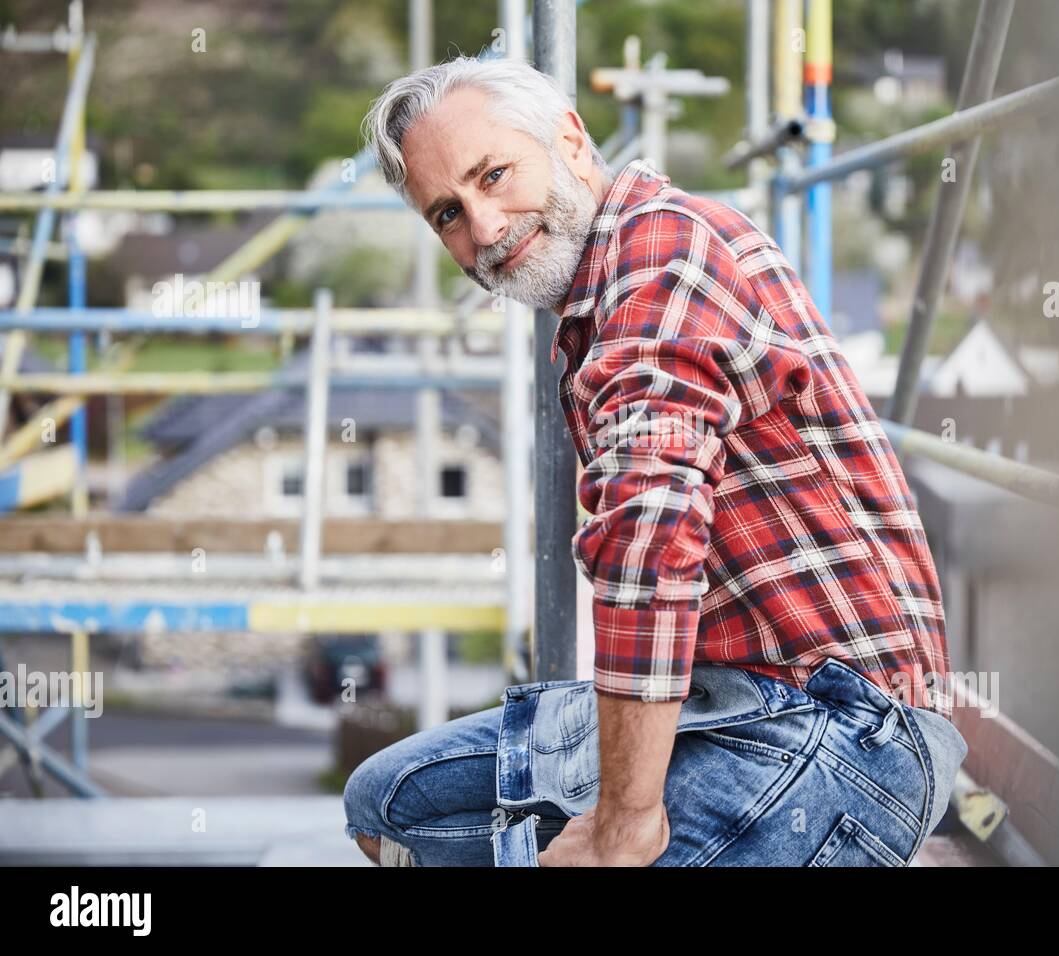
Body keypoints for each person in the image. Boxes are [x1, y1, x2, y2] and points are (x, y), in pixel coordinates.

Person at [342, 54, 968, 867]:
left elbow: (651, 538)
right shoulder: (603, 293)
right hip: (729, 703)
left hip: (840, 731)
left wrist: (624, 823)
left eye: (494, 176)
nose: (484, 231)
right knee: (387, 807)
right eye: (447, 214)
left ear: (569, 139)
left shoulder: (663, 257)